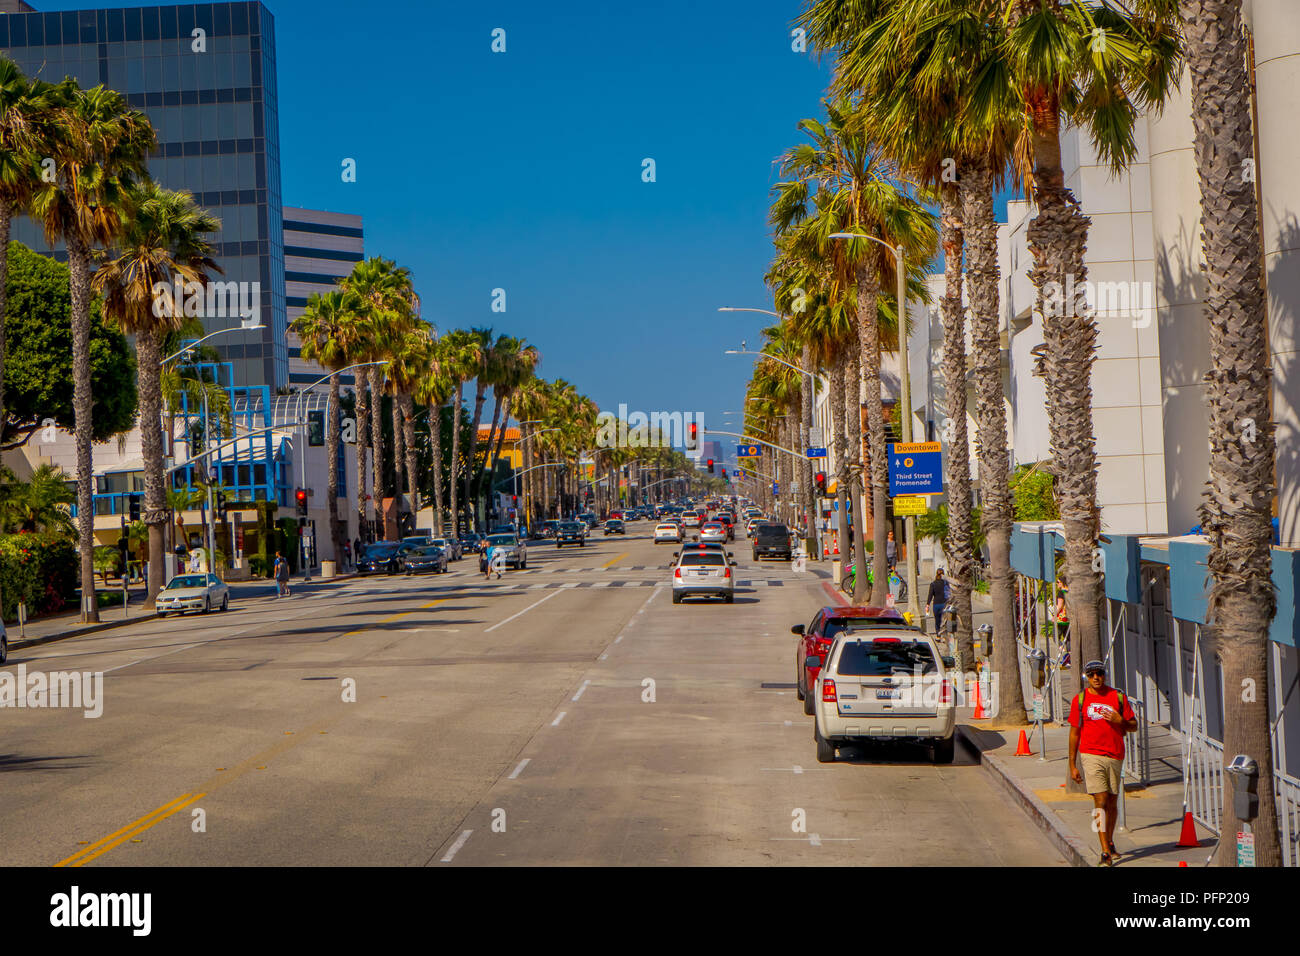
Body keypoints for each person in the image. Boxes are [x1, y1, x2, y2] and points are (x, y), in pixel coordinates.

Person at [1068, 661, 1138, 865]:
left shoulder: (1118, 697)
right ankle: (1105, 851)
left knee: (1112, 802)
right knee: (1100, 800)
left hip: (1115, 755)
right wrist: (1072, 764)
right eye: (1091, 675)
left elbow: (1133, 726)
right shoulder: (1080, 700)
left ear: (1104, 675)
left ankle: (1109, 840)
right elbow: (1074, 733)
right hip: (1091, 755)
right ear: (1086, 678)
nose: (1096, 677)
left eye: (1099, 673)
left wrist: (1120, 721)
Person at [925, 568, 947, 634]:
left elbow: (930, 595)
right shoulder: (945, 583)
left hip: (936, 605)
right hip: (944, 604)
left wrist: (927, 604)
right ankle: (944, 634)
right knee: (945, 620)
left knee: (937, 621)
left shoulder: (933, 584)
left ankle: (938, 634)